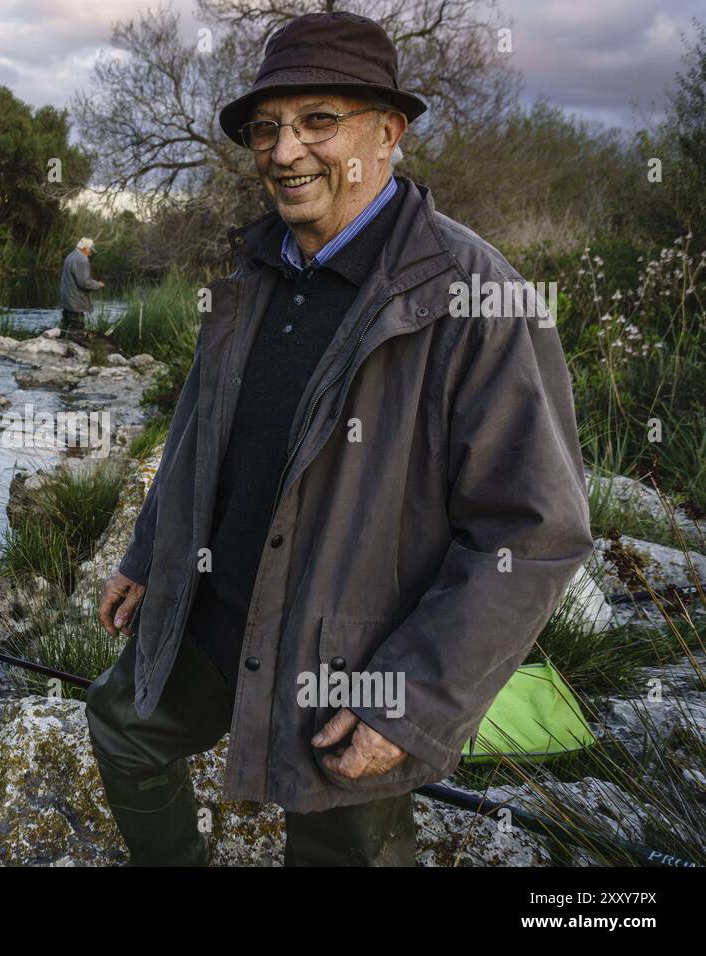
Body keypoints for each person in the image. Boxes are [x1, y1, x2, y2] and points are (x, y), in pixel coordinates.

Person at [89, 11, 593, 866]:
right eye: (266, 128)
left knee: (341, 850)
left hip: (351, 659)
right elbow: (197, 434)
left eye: (319, 121)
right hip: (212, 619)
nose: (285, 152)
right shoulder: (254, 271)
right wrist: (146, 553)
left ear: (389, 132)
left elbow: (534, 534)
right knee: (123, 728)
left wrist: (415, 702)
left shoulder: (480, 298)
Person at [60, 237, 104, 330]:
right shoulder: (82, 260)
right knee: (77, 330)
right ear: (85, 248)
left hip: (67, 300)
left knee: (66, 329)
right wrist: (97, 284)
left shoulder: (71, 255)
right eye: (90, 250)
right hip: (75, 303)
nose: (90, 253)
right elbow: (84, 283)